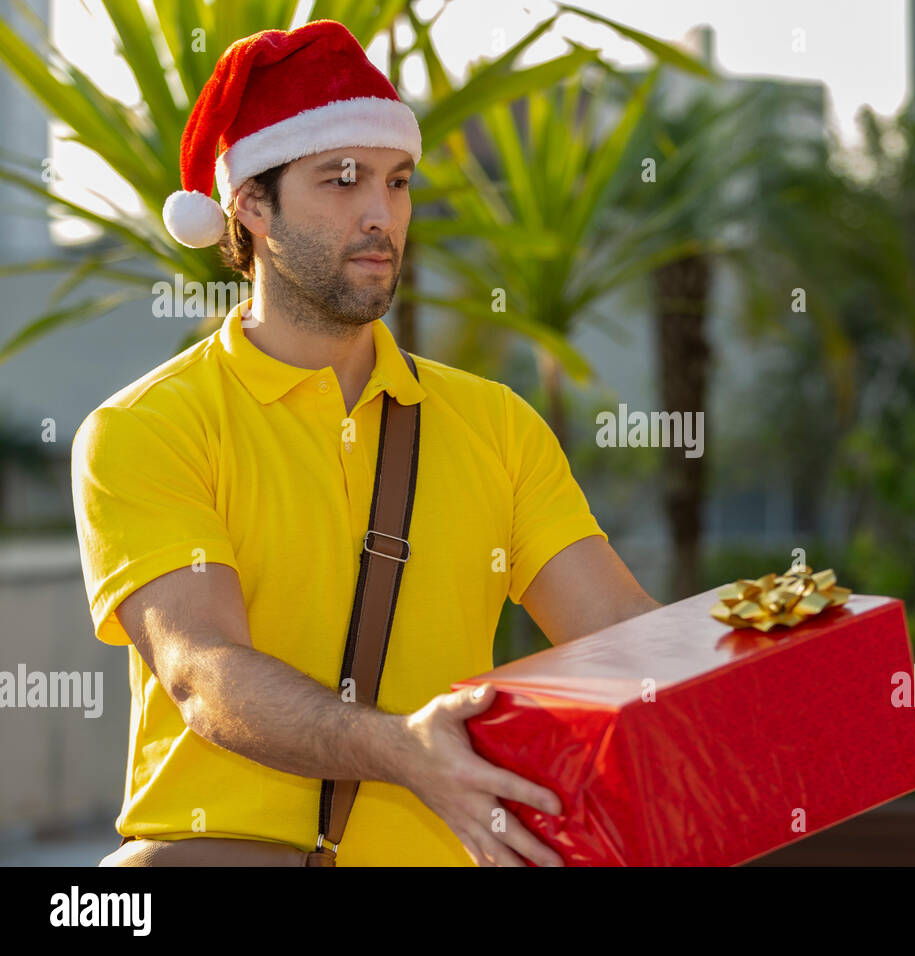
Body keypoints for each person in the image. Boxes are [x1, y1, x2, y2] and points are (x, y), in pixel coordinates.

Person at [70, 20, 659, 867]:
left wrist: (781, 658)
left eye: (397, 180)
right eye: (340, 180)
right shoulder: (147, 430)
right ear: (251, 205)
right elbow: (201, 669)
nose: (382, 215)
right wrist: (397, 750)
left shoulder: (495, 424)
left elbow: (623, 639)